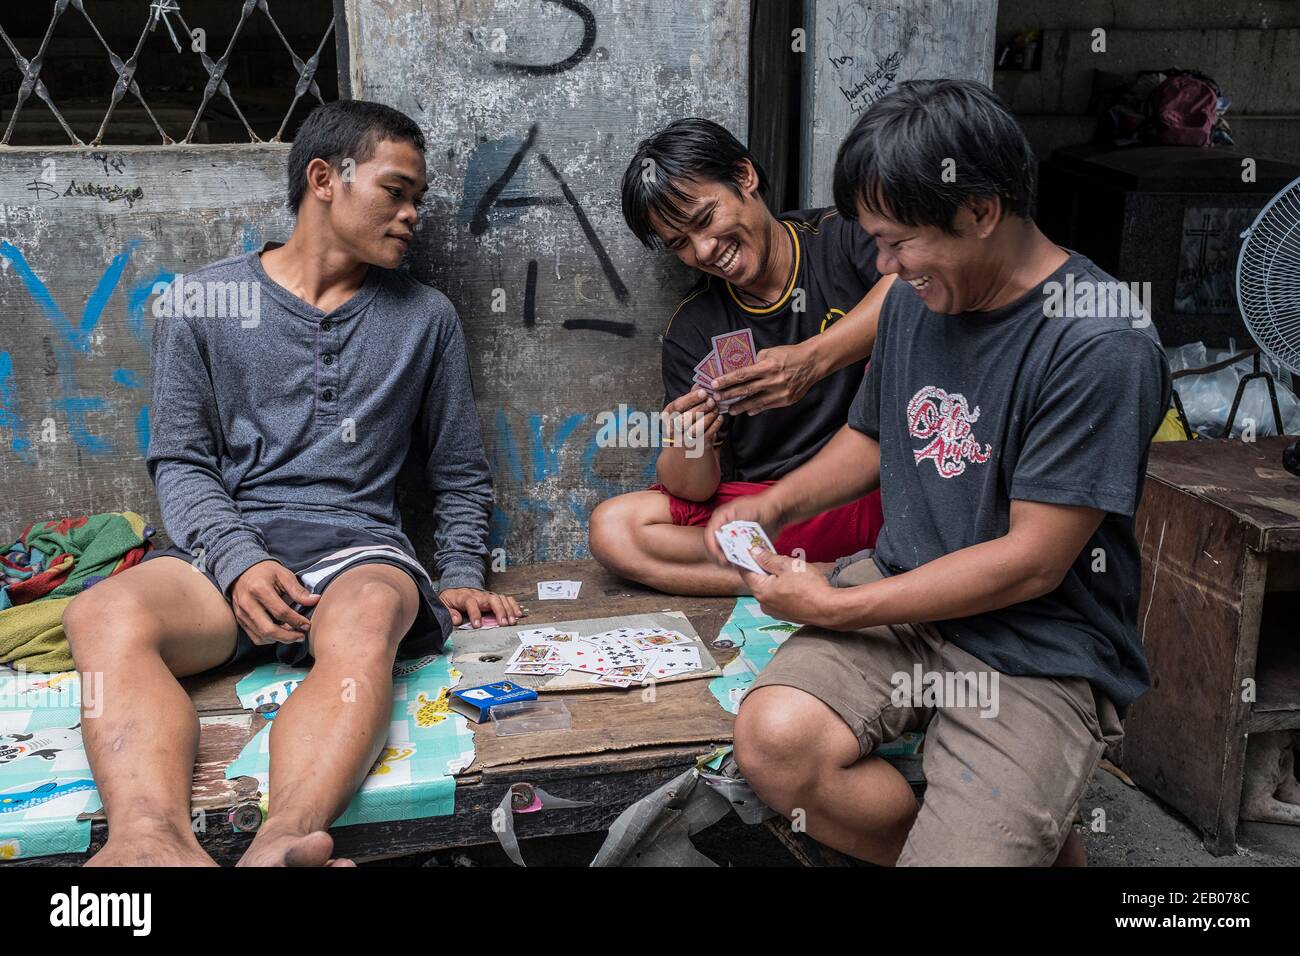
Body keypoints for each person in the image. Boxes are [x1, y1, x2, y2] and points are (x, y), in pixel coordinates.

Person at [705, 80, 1171, 865]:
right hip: (905, 598)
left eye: (896, 241)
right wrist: (774, 505)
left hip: (1035, 644)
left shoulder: (1099, 342)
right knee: (777, 743)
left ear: (981, 211)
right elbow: (875, 440)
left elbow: (1032, 563)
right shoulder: (918, 298)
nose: (882, 265)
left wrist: (840, 606)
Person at [63, 100, 520, 867]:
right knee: (102, 614)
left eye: (420, 200)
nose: (412, 215)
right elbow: (180, 461)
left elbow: (460, 473)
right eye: (396, 192)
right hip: (226, 554)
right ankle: (149, 841)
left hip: (357, 551)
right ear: (324, 179)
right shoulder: (202, 300)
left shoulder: (425, 318)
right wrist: (238, 559)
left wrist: (465, 572)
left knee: (370, 615)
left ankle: (283, 842)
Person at [589, 118, 894, 595]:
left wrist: (814, 359)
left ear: (745, 176)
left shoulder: (842, 237)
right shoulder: (693, 328)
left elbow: (916, 288)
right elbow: (694, 490)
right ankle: (827, 574)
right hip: (780, 515)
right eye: (680, 245)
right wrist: (691, 441)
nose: (705, 249)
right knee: (615, 528)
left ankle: (832, 571)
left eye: (704, 219)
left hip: (885, 486)